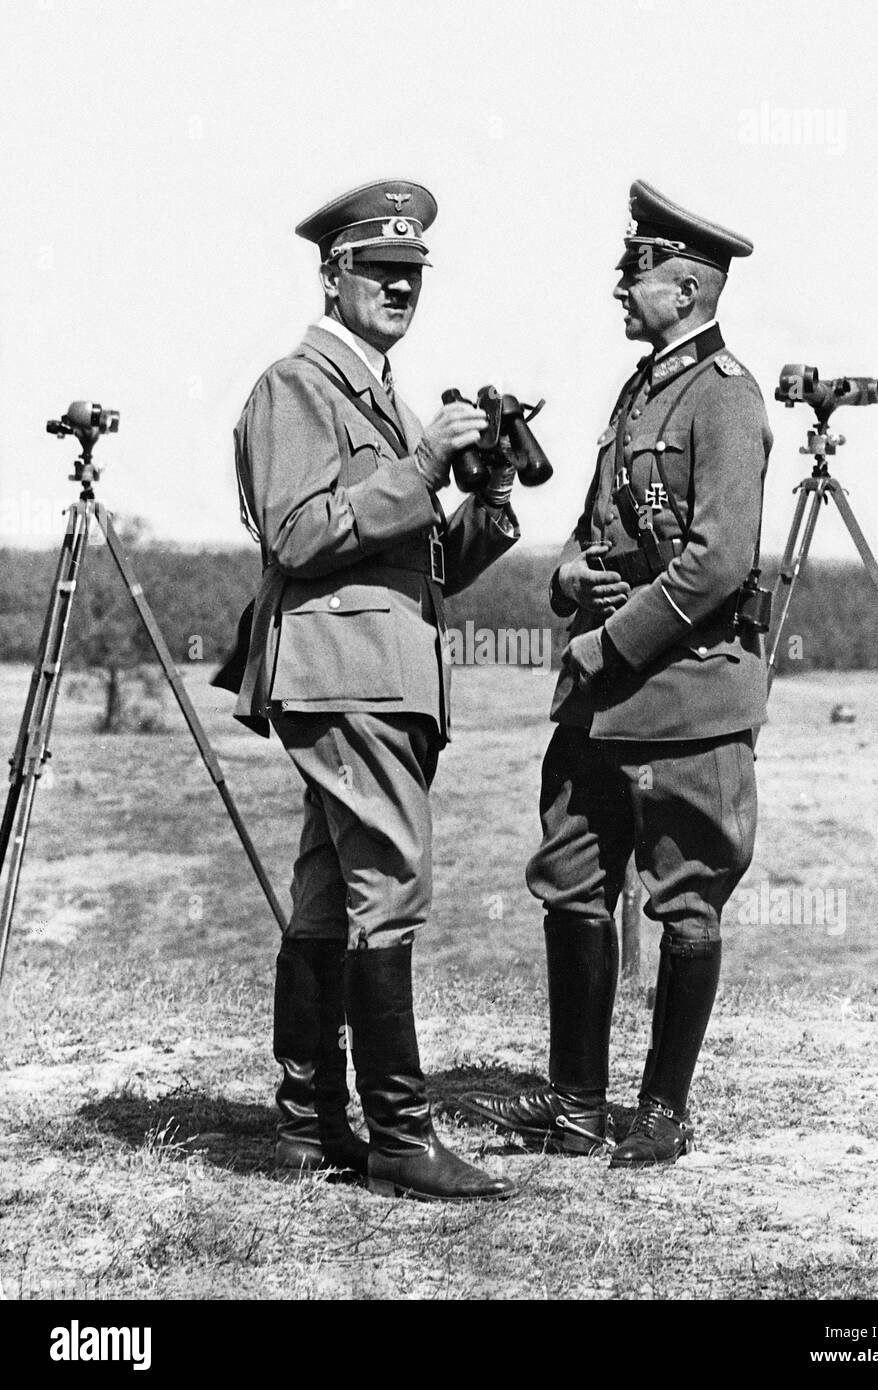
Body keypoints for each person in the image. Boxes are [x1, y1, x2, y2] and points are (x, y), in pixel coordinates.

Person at [458, 180, 772, 1168]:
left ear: (684, 288)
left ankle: (662, 1110)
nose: (619, 289)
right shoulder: (637, 391)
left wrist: (604, 644)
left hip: (684, 695)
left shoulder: (725, 398)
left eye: (633, 273)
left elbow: (717, 561)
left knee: (685, 900)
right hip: (599, 706)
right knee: (569, 882)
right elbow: (600, 525)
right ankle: (578, 1103)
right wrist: (562, 571)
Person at [230, 179, 519, 1202]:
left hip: (382, 668)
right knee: (388, 884)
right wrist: (420, 464)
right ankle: (397, 1133)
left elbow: (419, 562)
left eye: (411, 275)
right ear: (332, 275)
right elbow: (298, 534)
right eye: (378, 272)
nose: (398, 287)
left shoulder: (384, 396)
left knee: (329, 890)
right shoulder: (295, 387)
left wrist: (482, 499)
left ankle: (308, 1126)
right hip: (344, 670)